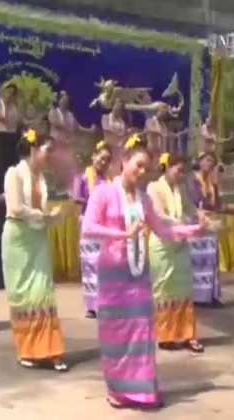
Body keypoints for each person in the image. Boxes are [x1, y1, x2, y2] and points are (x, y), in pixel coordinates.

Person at [82, 135, 205, 410]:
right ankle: (116, 389)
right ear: (123, 162)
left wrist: (195, 229)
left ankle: (142, 389)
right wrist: (122, 234)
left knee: (141, 330)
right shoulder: (104, 192)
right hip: (114, 275)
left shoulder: (143, 198)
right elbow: (88, 227)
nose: (140, 172)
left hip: (138, 275)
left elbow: (163, 230)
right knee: (116, 332)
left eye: (145, 168)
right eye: (137, 165)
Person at [2, 129, 68, 372]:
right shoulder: (14, 174)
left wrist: (53, 219)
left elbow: (40, 213)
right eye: (47, 150)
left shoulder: (41, 178)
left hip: (38, 237)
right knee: (23, 296)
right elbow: (17, 207)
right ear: (33, 149)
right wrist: (46, 216)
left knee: (42, 292)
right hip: (18, 238)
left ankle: (50, 350)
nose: (50, 156)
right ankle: (28, 350)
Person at [147, 153, 205, 354]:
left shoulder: (181, 188)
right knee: (164, 289)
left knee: (184, 288)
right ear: (167, 167)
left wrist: (201, 217)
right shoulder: (154, 187)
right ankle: (166, 335)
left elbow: (190, 209)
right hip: (162, 243)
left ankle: (188, 334)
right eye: (179, 170)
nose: (181, 175)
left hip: (180, 242)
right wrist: (181, 223)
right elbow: (158, 214)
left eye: (184, 172)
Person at [72, 141, 113, 319]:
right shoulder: (81, 177)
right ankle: (91, 306)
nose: (103, 162)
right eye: (101, 158)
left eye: (107, 160)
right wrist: (93, 199)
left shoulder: (109, 181)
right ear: (93, 156)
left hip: (104, 226)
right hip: (88, 223)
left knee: (104, 265)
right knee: (90, 265)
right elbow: (75, 197)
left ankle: (105, 302)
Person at [190, 152, 224, 306]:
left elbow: (217, 202)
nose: (209, 164)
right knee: (199, 262)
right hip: (198, 221)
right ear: (200, 161)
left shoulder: (213, 182)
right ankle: (198, 297)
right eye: (207, 160)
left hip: (212, 222)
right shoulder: (192, 181)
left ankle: (212, 295)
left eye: (212, 162)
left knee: (212, 261)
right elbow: (194, 200)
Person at [49, 91, 96, 192]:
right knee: (55, 165)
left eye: (67, 101)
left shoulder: (70, 115)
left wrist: (89, 130)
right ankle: (54, 189)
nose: (65, 102)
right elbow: (55, 124)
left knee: (66, 165)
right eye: (63, 100)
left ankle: (65, 188)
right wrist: (68, 129)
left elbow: (77, 127)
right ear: (59, 100)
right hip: (56, 143)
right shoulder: (54, 112)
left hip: (67, 143)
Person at [102, 97, 129, 177]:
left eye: (120, 108)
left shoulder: (122, 122)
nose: (118, 109)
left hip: (119, 151)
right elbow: (107, 131)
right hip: (109, 148)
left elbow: (125, 135)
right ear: (112, 106)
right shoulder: (105, 118)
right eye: (117, 106)